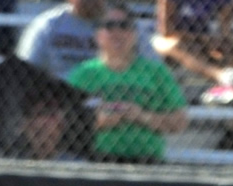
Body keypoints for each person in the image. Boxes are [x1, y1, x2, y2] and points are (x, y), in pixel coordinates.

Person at [67, 4, 187, 164]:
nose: (117, 33)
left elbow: (180, 121)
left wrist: (141, 116)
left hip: (148, 161)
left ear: (134, 34)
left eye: (124, 26)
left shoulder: (156, 72)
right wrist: (98, 121)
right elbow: (66, 121)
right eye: (109, 26)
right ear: (98, 35)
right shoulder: (83, 74)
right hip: (97, 159)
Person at [19, 0, 151, 80]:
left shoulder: (125, 25)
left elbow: (153, 65)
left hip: (114, 94)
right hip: (62, 99)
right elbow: (24, 72)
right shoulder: (48, 26)